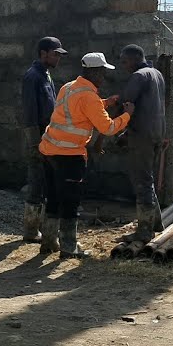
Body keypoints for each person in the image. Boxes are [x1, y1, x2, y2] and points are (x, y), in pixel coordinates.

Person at [39, 52, 134, 258]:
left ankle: (48, 242)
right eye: (102, 72)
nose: (104, 77)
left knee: (53, 197)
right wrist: (127, 115)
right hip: (69, 155)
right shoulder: (89, 97)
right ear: (94, 72)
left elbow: (77, 109)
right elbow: (108, 127)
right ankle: (69, 247)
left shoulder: (69, 87)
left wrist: (105, 103)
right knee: (71, 201)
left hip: (49, 150)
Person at [20, 36, 67, 246]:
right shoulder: (33, 77)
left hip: (48, 137)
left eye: (59, 54)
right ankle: (30, 230)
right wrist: (34, 143)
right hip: (39, 138)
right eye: (55, 53)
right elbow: (30, 113)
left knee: (46, 183)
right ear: (43, 53)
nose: (58, 58)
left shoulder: (46, 75)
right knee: (37, 183)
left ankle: (37, 228)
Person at [118, 45, 166, 243]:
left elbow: (127, 104)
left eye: (125, 61)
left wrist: (117, 129)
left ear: (137, 57)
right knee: (149, 178)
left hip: (142, 136)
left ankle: (144, 230)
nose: (123, 66)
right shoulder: (157, 74)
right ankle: (156, 223)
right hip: (156, 133)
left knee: (142, 181)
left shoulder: (138, 76)